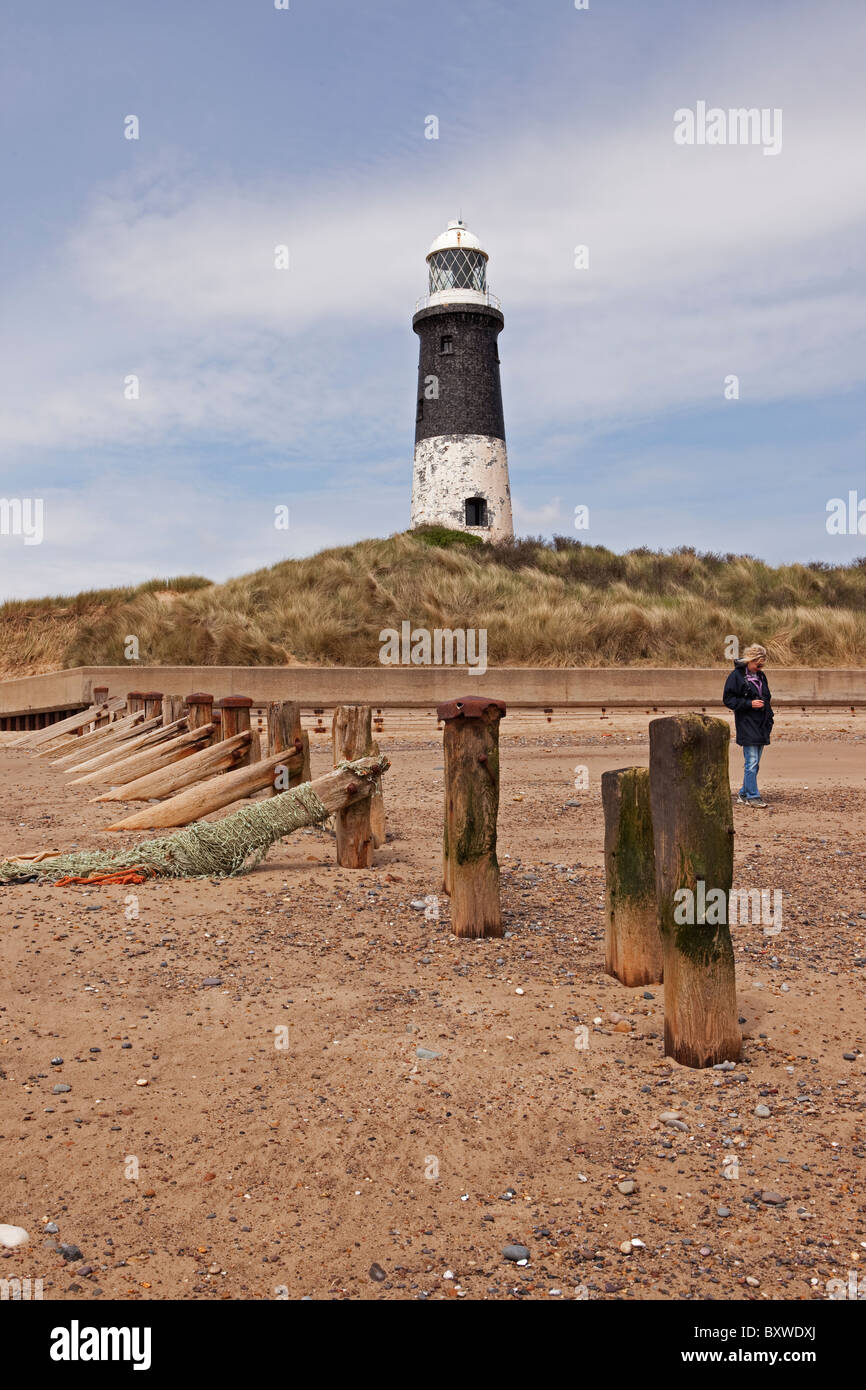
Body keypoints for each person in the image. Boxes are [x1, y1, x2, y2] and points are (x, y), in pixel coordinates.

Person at [723, 643, 774, 808]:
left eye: (762, 665)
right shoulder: (736, 676)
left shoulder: (761, 676)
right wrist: (749, 703)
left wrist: (769, 717)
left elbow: (767, 697)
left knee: (755, 763)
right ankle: (753, 796)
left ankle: (744, 793)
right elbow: (728, 700)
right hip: (746, 724)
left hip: (762, 724)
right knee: (751, 762)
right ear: (750, 660)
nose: (760, 668)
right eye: (758, 665)